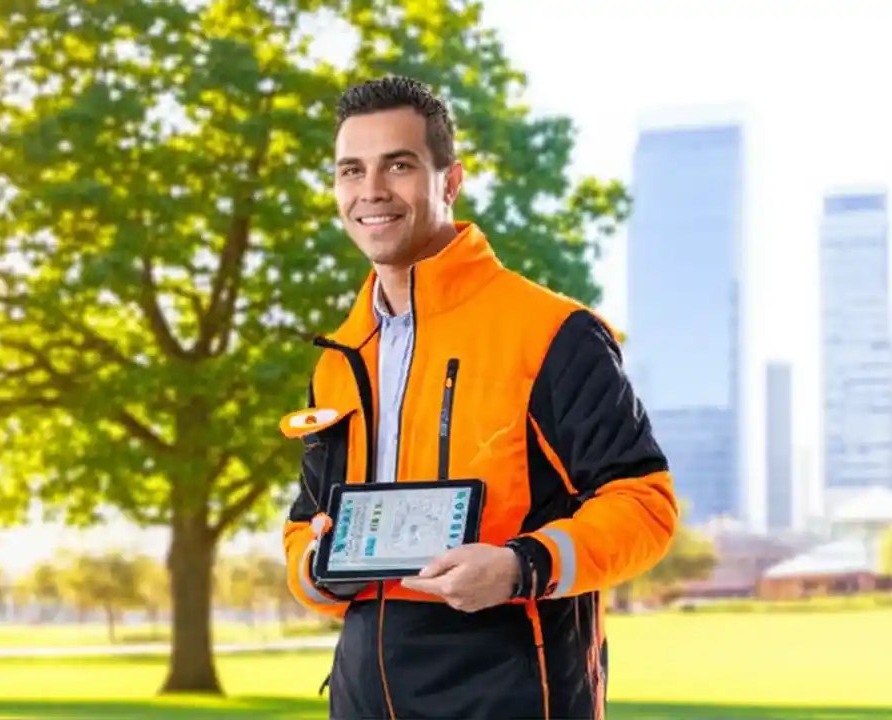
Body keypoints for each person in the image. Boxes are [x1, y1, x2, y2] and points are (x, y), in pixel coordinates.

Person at [280, 76, 678, 720]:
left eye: (399, 165)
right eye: (351, 170)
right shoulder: (340, 359)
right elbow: (305, 523)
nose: (370, 190)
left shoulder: (552, 333)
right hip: (362, 697)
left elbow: (644, 506)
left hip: (512, 693)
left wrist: (522, 566)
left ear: (451, 181)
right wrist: (317, 569)